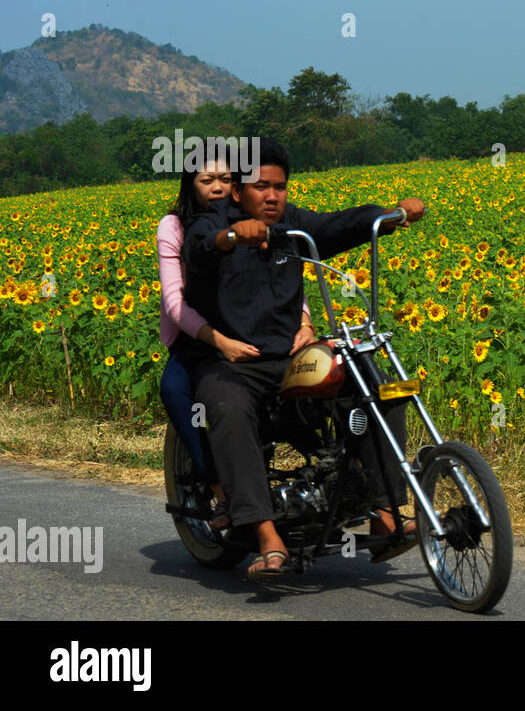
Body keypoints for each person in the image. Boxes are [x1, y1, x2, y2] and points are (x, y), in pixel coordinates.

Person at [182, 137, 426, 578]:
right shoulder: (211, 221)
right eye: (260, 186)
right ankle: (265, 532)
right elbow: (200, 248)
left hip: (291, 356)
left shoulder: (293, 224)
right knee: (228, 409)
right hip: (232, 362)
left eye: (280, 186)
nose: (272, 195)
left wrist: (388, 216)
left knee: (377, 387)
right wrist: (231, 236)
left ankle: (384, 510)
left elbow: (336, 225)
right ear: (237, 191)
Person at [156, 148, 312, 530]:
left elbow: (283, 280)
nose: (217, 188)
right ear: (189, 185)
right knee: (177, 391)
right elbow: (176, 304)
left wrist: (304, 322)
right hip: (199, 339)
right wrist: (221, 341)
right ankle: (219, 489)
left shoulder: (251, 220)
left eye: (225, 180)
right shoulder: (175, 227)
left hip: (256, 337)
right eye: (206, 181)